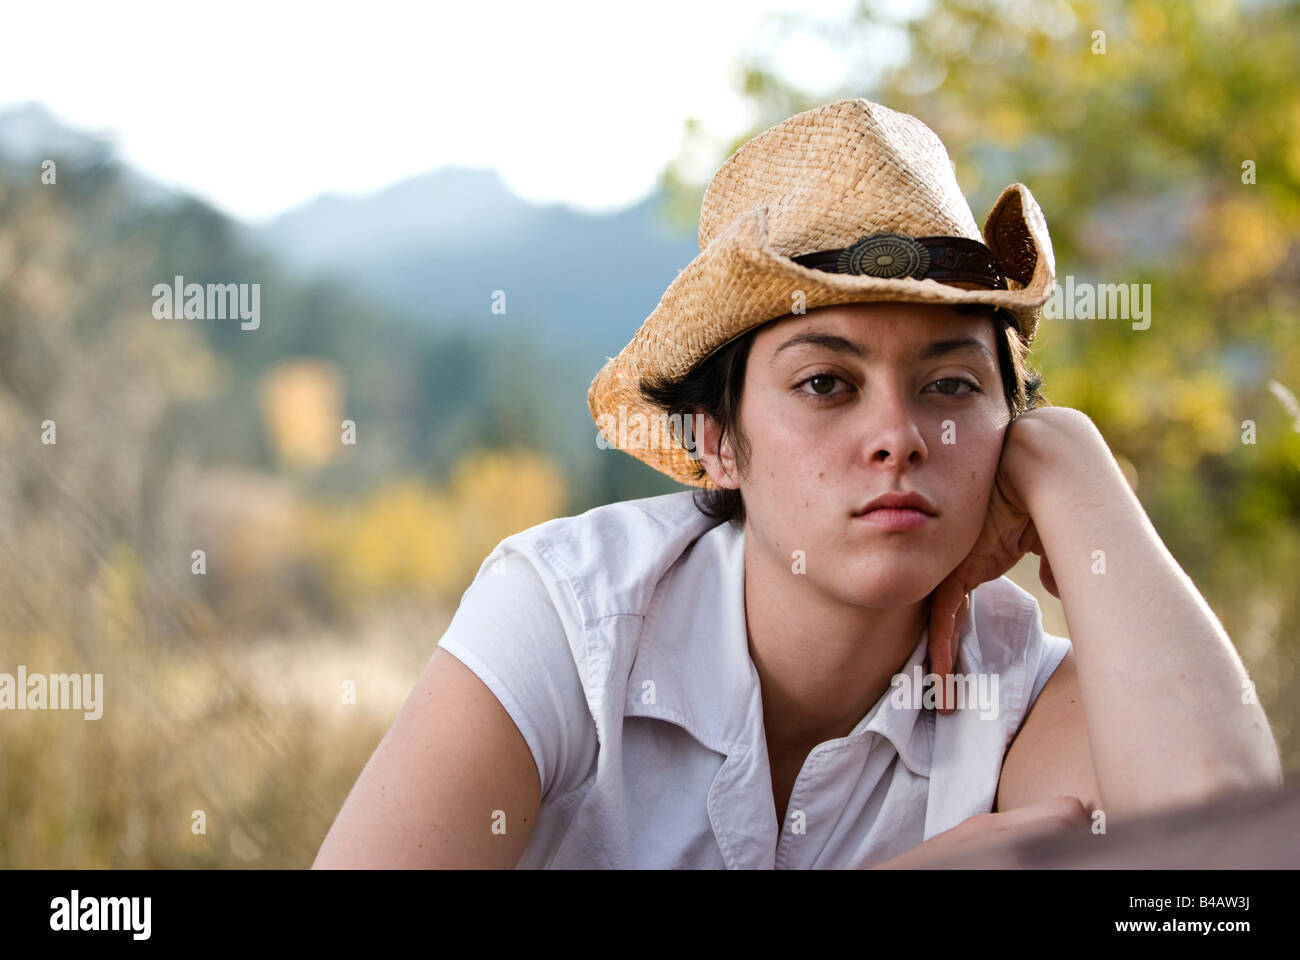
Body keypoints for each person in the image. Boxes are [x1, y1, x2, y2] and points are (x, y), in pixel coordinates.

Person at [312, 98, 1282, 869]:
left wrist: (1072, 469)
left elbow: (1220, 874)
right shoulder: (570, 619)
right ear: (717, 443)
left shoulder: (1020, 690)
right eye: (825, 383)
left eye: (950, 385)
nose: (897, 436)